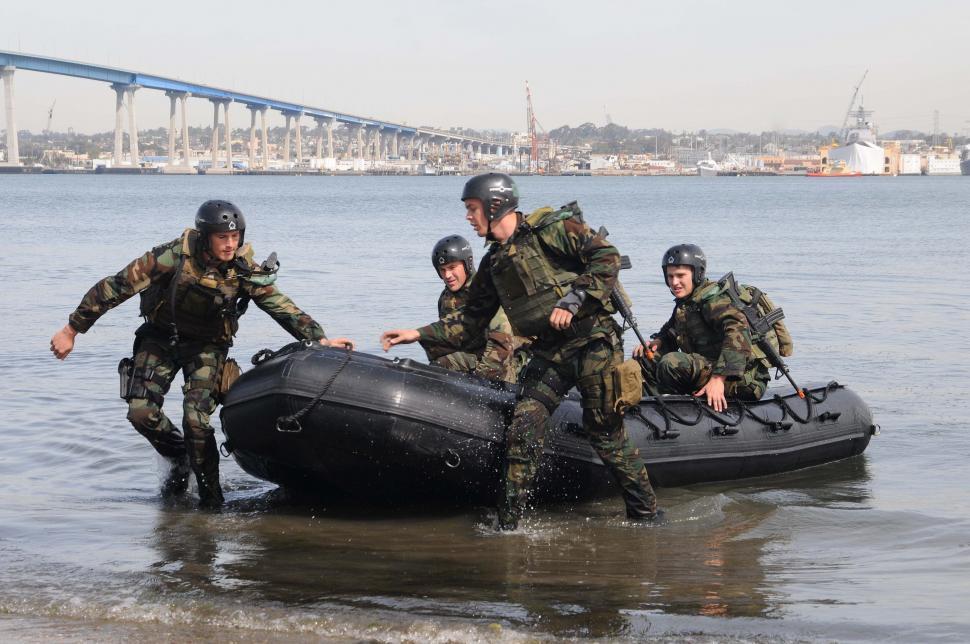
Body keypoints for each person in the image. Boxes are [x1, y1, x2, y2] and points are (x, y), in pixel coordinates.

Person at [381, 173, 660, 530]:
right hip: (549, 353)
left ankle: (647, 516)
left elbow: (607, 258)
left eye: (472, 209)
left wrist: (574, 299)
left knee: (604, 432)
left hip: (593, 340)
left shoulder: (552, 229)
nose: (468, 217)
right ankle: (509, 526)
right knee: (523, 429)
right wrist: (416, 334)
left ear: (494, 205)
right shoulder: (494, 264)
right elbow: (469, 324)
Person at [49, 200, 355, 508]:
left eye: (235, 237)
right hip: (160, 338)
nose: (229, 244)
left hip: (208, 346)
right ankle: (178, 455)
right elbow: (115, 287)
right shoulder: (171, 256)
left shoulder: (244, 269)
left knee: (196, 421)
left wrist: (319, 341)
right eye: (222, 237)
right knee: (140, 412)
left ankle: (211, 502)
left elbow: (281, 307)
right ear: (206, 236)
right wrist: (72, 329)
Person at [633, 244, 768, 412]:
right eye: (670, 276)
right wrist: (658, 342)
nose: (675, 282)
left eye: (681, 276)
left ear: (697, 274)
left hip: (741, 379)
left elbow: (738, 331)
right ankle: (650, 407)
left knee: (671, 363)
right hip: (709, 368)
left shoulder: (713, 300)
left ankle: (674, 407)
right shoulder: (688, 303)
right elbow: (672, 330)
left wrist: (718, 379)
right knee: (646, 358)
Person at [427, 234, 527, 383]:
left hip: (503, 361)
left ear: (467, 264)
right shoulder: (445, 298)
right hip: (473, 356)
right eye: (442, 270)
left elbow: (502, 342)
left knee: (444, 363)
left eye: (452, 267)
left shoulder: (485, 291)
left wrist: (480, 381)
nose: (448, 275)